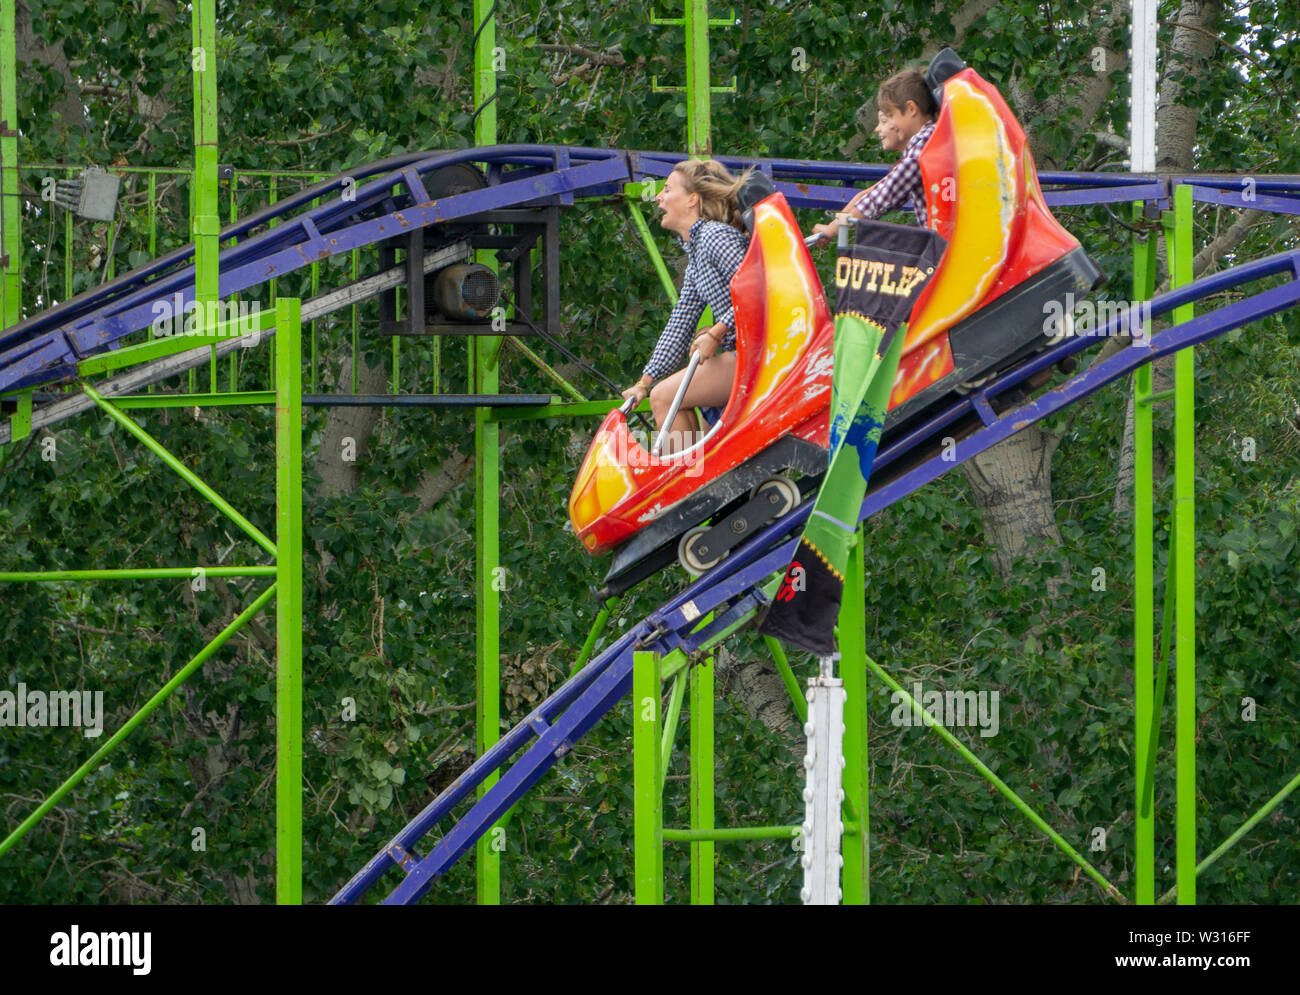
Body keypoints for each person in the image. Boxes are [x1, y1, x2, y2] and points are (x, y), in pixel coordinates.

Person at [621, 159, 751, 456]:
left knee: (665, 397)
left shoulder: (717, 238)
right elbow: (679, 325)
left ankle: (685, 484)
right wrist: (644, 381)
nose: (658, 197)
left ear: (692, 200)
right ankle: (701, 474)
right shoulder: (698, 254)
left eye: (667, 190)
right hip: (742, 352)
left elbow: (756, 290)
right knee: (677, 406)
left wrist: (716, 332)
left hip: (756, 352)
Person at [813, 68, 939, 242]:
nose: (877, 128)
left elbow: (883, 195)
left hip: (947, 253)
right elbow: (871, 193)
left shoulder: (926, 145)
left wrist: (833, 229)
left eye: (888, 117)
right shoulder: (929, 140)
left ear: (911, 109)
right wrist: (834, 225)